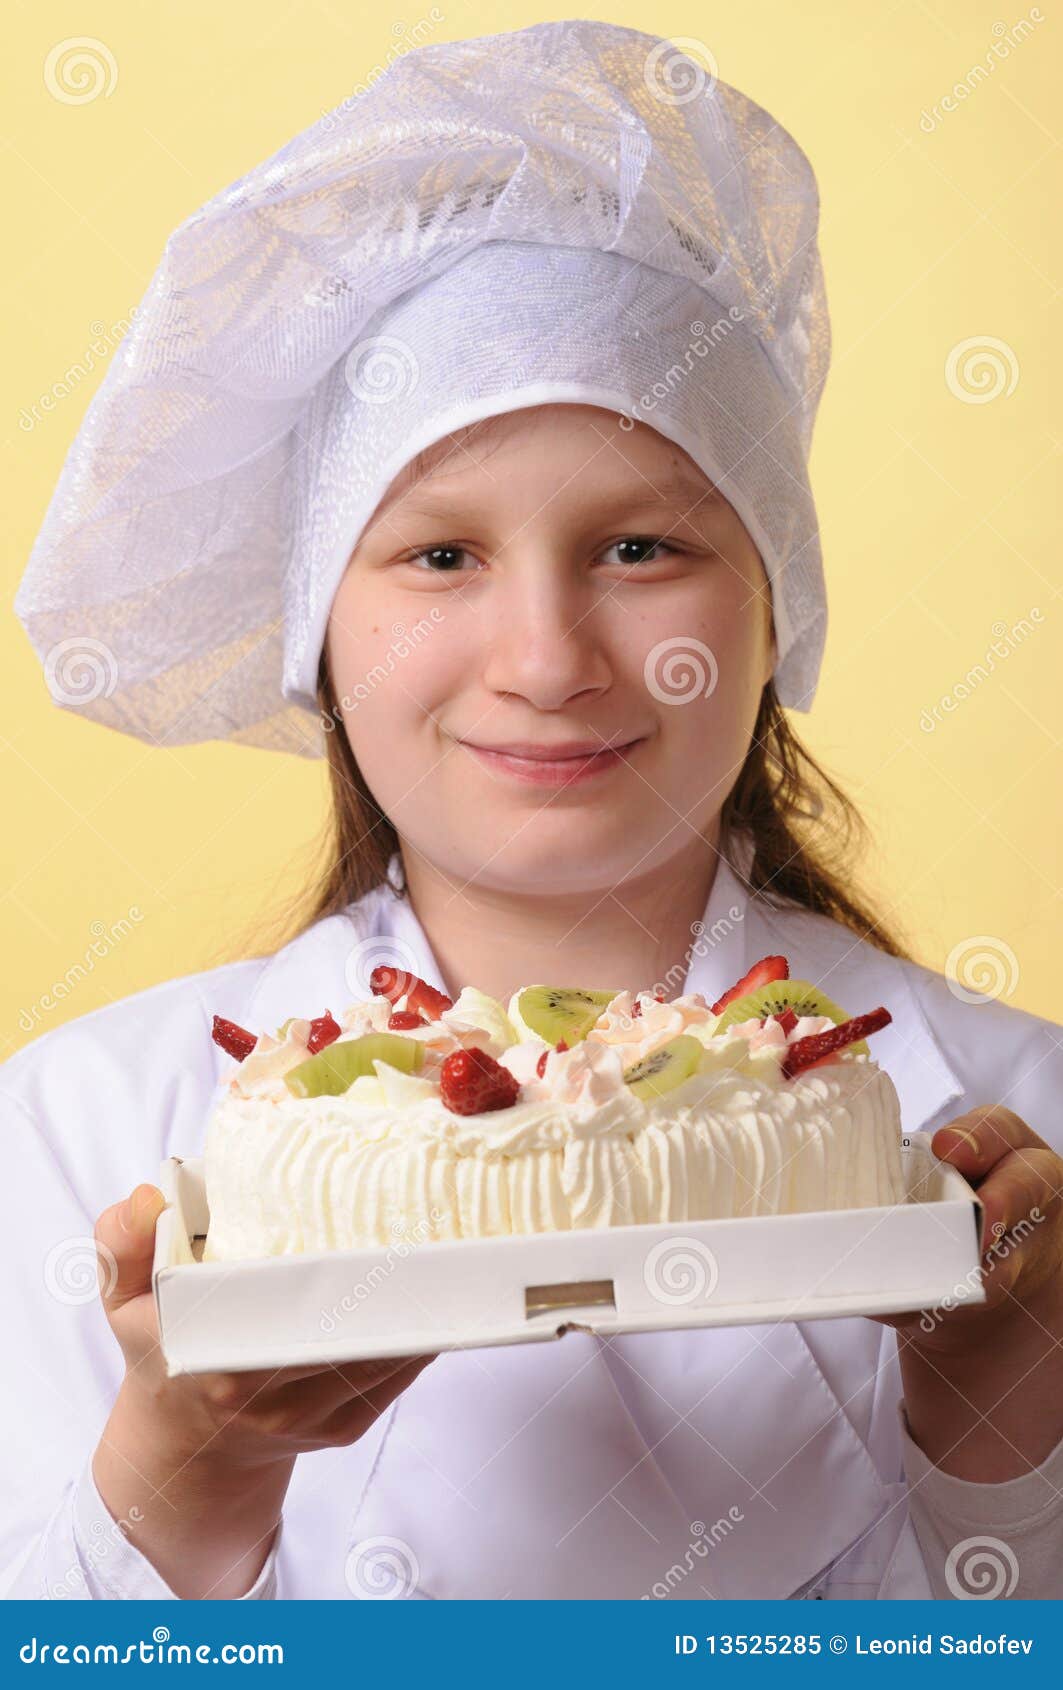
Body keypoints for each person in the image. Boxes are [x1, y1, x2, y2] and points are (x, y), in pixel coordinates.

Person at [4, 20, 1061, 1602]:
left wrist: (1000, 1433)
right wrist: (188, 1465)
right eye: (439, 556)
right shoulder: (79, 1132)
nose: (549, 661)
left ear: (777, 607)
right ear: (319, 628)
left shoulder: (1010, 1134)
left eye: (641, 549)